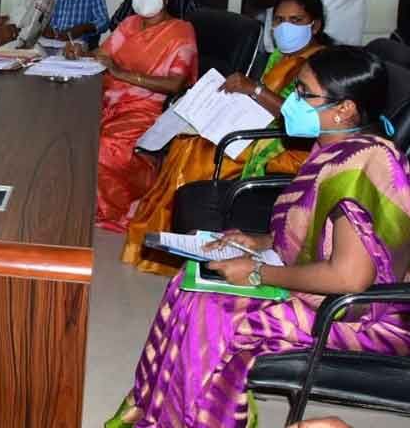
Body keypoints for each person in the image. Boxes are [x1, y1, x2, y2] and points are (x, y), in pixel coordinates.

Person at [106, 47, 410, 427]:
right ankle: (155, 407)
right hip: (327, 292)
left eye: (303, 94)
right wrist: (260, 242)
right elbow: (318, 231)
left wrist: (256, 273)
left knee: (213, 314)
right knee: (189, 283)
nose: (290, 103)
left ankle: (200, 418)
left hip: (359, 316)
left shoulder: (361, 167)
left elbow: (350, 278)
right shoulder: (335, 147)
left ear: (344, 109)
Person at [122, 0, 334, 273]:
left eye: (296, 20)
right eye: (279, 20)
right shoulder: (281, 56)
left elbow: (303, 120)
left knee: (200, 154)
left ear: (315, 25)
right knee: (188, 141)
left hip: (291, 146)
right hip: (261, 126)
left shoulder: (320, 64)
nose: (285, 28)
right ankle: (169, 239)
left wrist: (255, 89)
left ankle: (189, 247)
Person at [65, 0, 198, 232]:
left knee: (103, 148)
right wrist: (79, 51)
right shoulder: (129, 24)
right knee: (68, 128)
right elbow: (102, 56)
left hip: (148, 112)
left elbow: (175, 83)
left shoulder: (180, 31)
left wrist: (122, 73)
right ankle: (77, 199)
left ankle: (112, 209)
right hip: (108, 102)